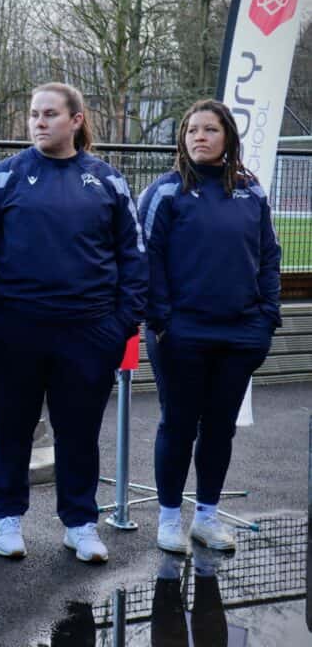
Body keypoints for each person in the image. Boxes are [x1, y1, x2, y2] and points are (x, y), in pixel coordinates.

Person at [0, 82, 147, 563]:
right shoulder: (5, 178)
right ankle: (6, 517)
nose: (39, 122)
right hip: (12, 332)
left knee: (78, 432)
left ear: (76, 120)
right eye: (33, 114)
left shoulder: (108, 182)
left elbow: (134, 257)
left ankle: (81, 523)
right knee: (10, 429)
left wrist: (121, 322)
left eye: (50, 114)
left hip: (88, 333)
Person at [138, 99, 280, 555]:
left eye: (209, 130)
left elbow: (269, 258)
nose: (199, 136)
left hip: (241, 334)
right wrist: (161, 323)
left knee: (220, 429)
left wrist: (266, 320)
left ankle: (206, 517)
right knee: (178, 426)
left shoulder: (251, 192)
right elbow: (147, 261)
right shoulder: (164, 193)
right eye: (192, 130)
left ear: (228, 138)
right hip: (180, 334)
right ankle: (167, 519)